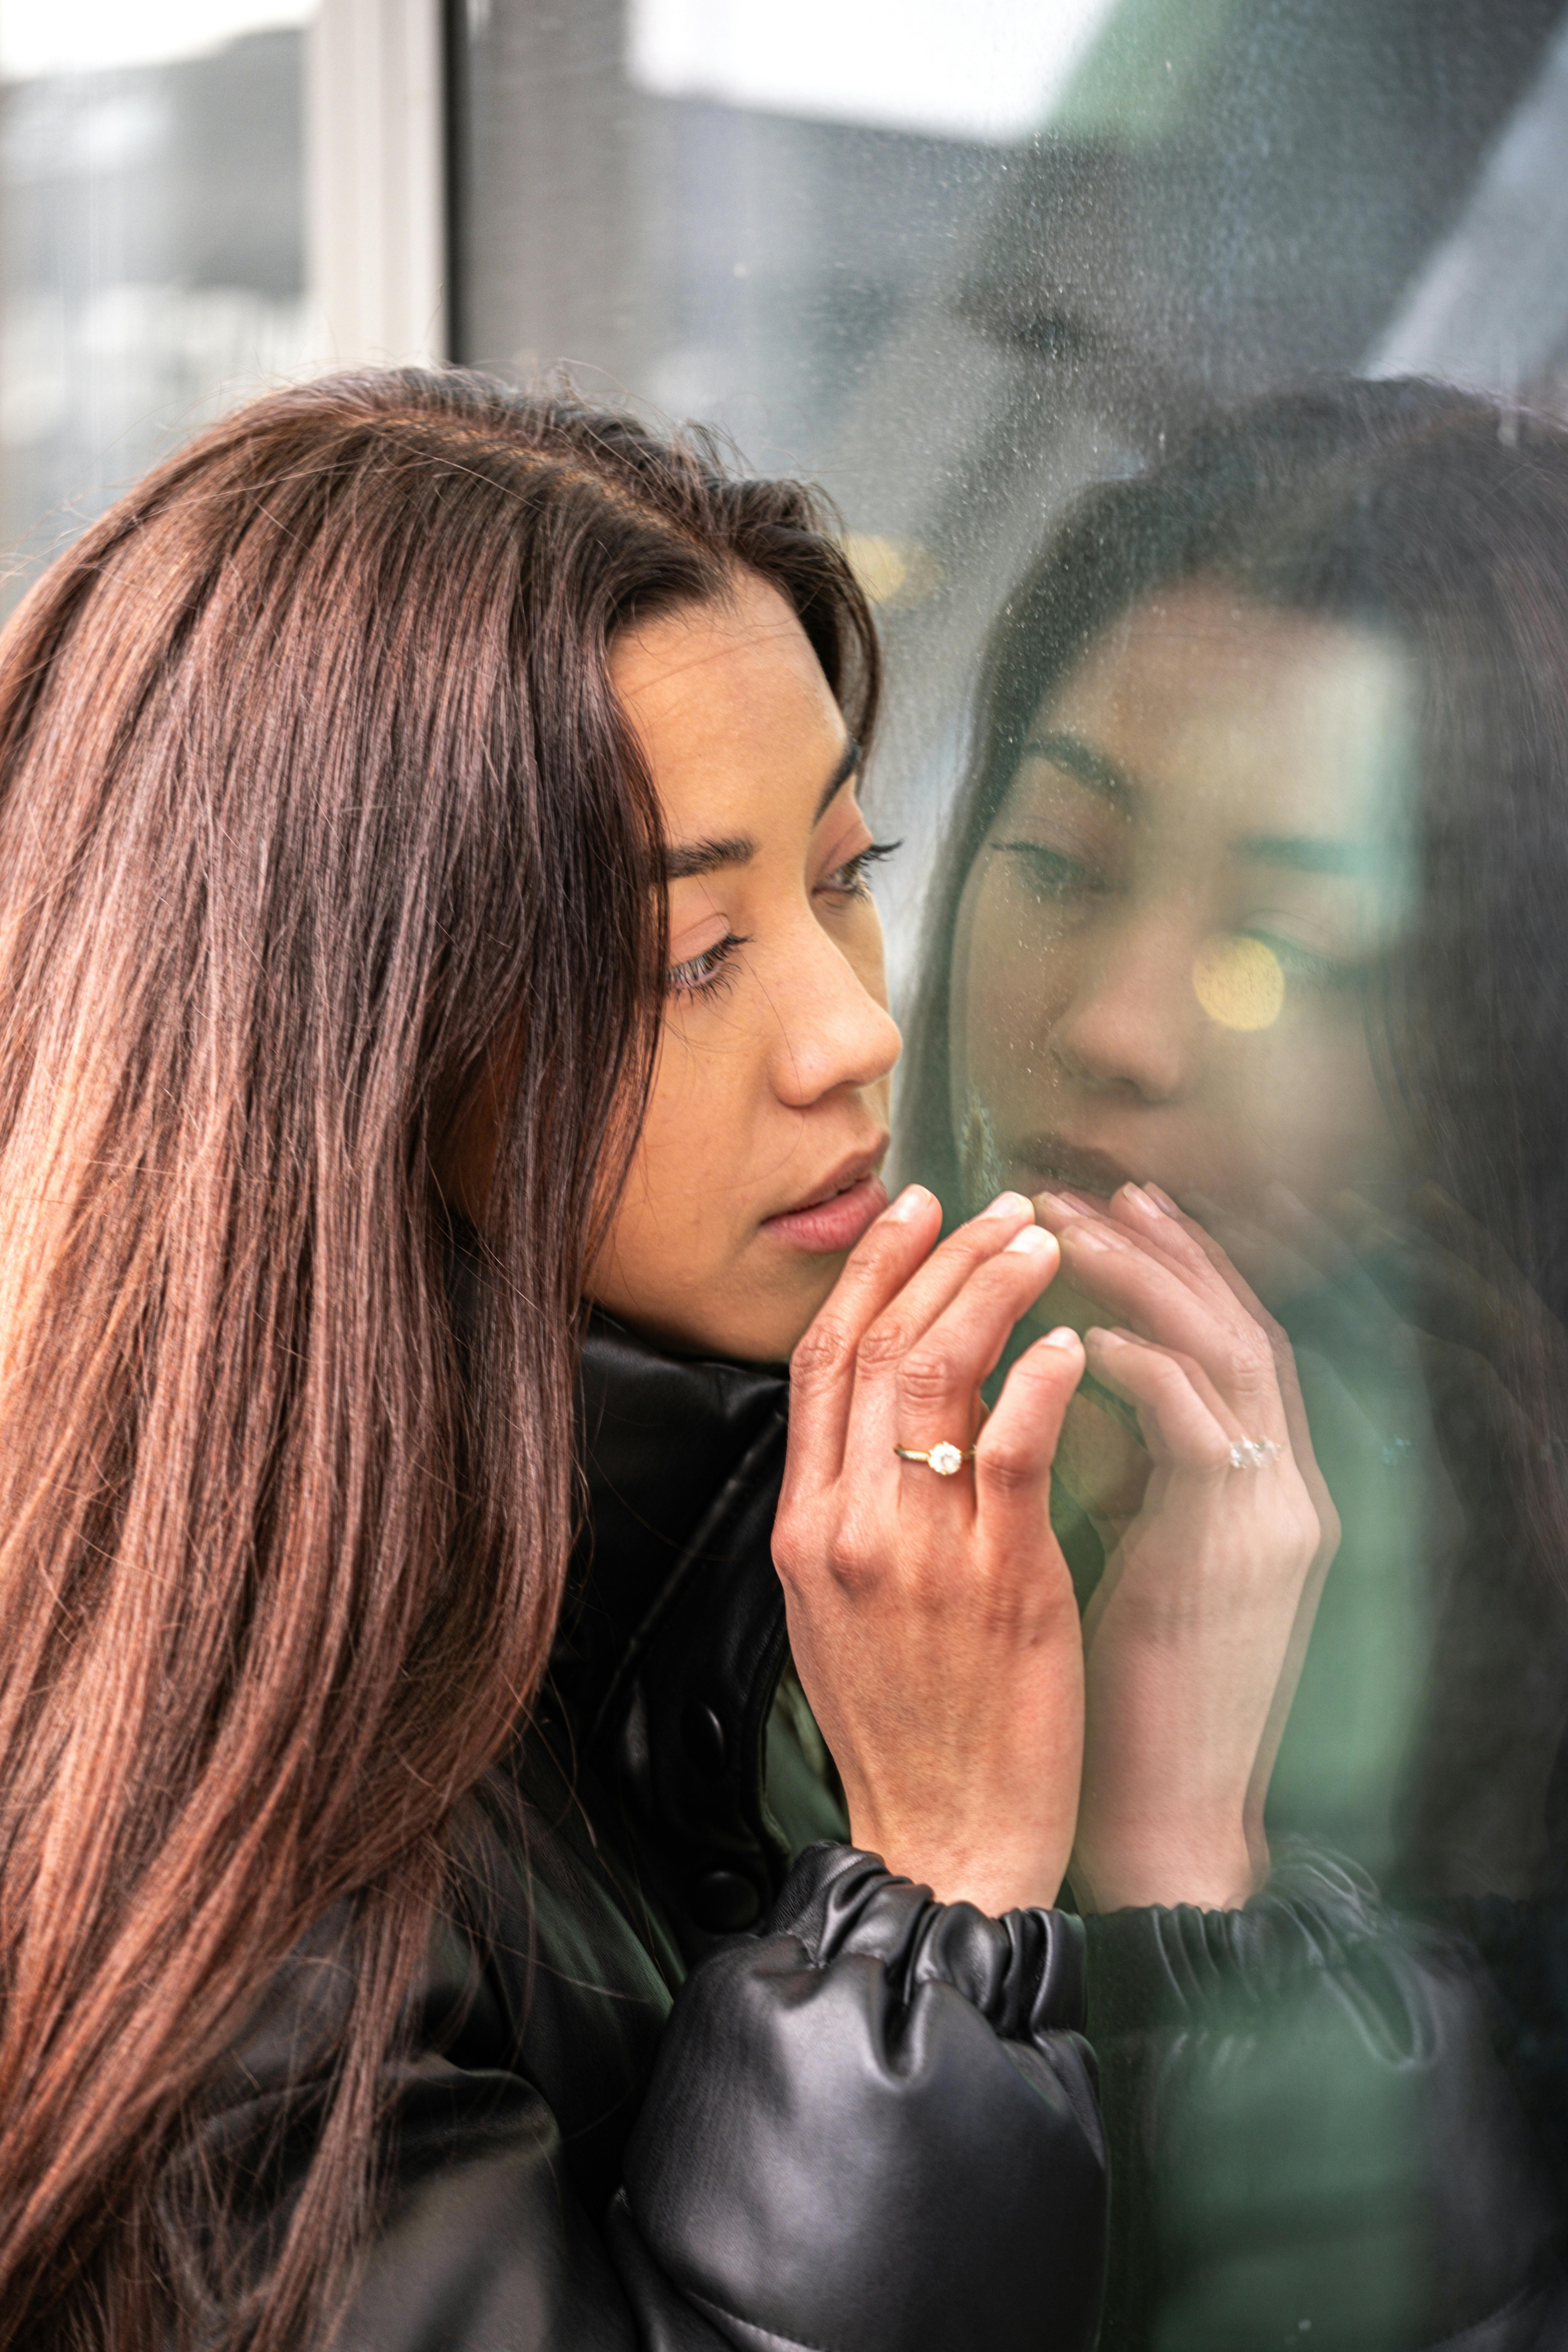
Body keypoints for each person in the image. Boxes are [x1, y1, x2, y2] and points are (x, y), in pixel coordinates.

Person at [0, 367, 1328, 2352]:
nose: (854, 1039)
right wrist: (933, 1906)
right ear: (341, 1057)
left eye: (845, 882)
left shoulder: (680, 1617)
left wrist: (1163, 1861)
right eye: (694, 959)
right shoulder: (187, 1892)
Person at [901, 376, 1568, 2347]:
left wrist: (1195, 1898)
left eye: (1275, 947)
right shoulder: (709, 1505)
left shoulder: (1492, 1638)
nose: (1113, 1029)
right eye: (1062, 867)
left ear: (1486, 1042)